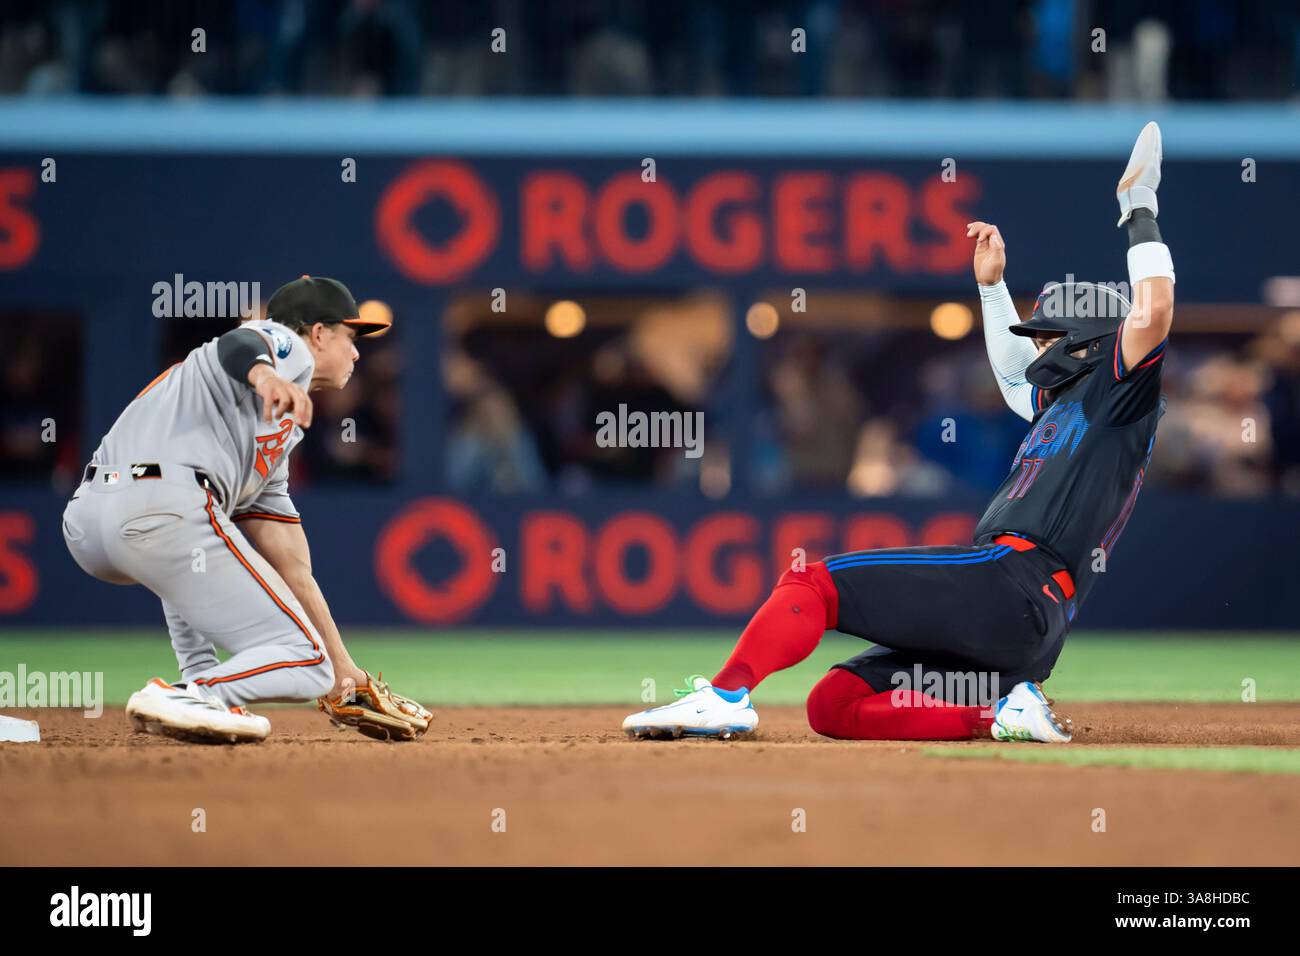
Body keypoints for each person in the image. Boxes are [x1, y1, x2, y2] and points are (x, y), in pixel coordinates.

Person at [623, 122, 1175, 743]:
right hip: (1022, 630)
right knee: (835, 702)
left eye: (1050, 335)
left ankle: (725, 695)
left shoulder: (1117, 396)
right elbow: (1017, 384)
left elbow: (1152, 312)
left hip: (1008, 582)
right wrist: (992, 291)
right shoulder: (1070, 406)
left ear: (1089, 342)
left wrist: (1138, 206)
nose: (1040, 345)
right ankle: (1000, 712)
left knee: (810, 581)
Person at [62, 276, 431, 743]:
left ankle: (202, 689)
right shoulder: (287, 351)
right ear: (318, 333)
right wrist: (267, 375)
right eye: (350, 338)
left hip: (91, 525)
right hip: (161, 502)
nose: (357, 354)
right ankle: (196, 693)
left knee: (196, 545)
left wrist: (346, 676)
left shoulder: (267, 441)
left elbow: (293, 569)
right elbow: (239, 343)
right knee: (305, 662)